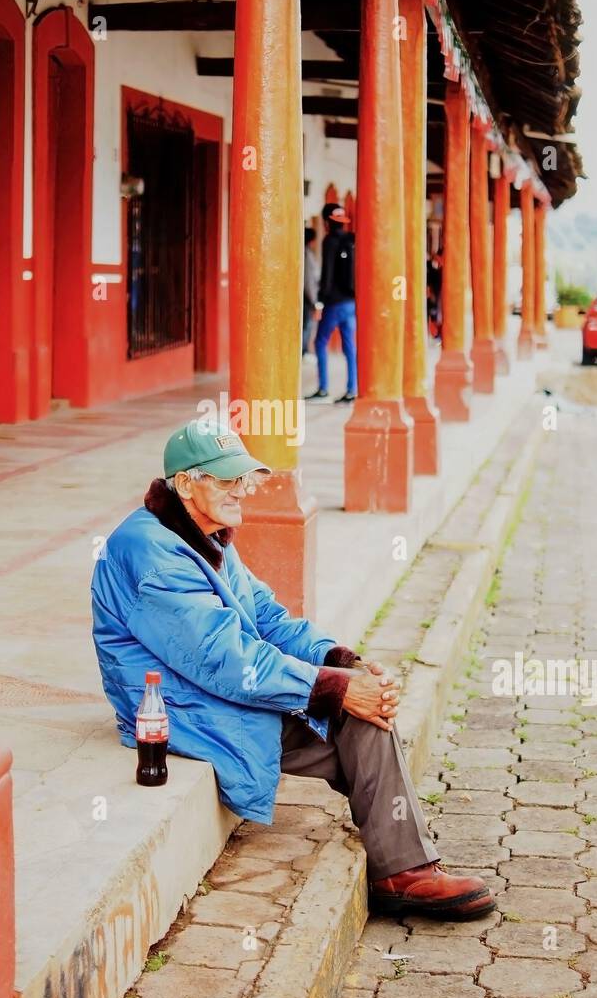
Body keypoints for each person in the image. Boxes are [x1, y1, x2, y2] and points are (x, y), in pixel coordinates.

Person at [91, 418, 496, 920]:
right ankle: (403, 864)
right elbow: (224, 659)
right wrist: (333, 690)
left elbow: (268, 619)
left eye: (244, 478)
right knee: (348, 705)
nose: (242, 490)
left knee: (360, 706)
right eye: (226, 480)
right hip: (178, 704)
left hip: (213, 688)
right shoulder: (151, 551)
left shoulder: (208, 533)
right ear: (185, 483)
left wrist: (344, 663)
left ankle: (401, 868)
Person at [306, 203, 357, 403]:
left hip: (334, 303)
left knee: (320, 342)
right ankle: (352, 388)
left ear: (327, 222)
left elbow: (327, 274)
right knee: (350, 346)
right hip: (351, 302)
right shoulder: (351, 239)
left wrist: (320, 301)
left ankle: (323, 387)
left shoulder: (329, 241)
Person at [302, 227, 321, 356]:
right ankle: (303, 351)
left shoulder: (307, 253)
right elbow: (308, 280)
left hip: (306, 295)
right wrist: (314, 300)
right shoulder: (307, 255)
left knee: (307, 324)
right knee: (307, 325)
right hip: (307, 296)